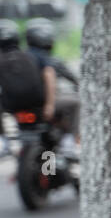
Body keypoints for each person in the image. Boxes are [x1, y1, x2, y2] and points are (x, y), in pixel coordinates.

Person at [25, 18, 81, 160]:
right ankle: (72, 142)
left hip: (25, 107)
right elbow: (54, 77)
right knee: (77, 103)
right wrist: (49, 105)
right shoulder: (50, 61)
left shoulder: (22, 58)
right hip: (46, 107)